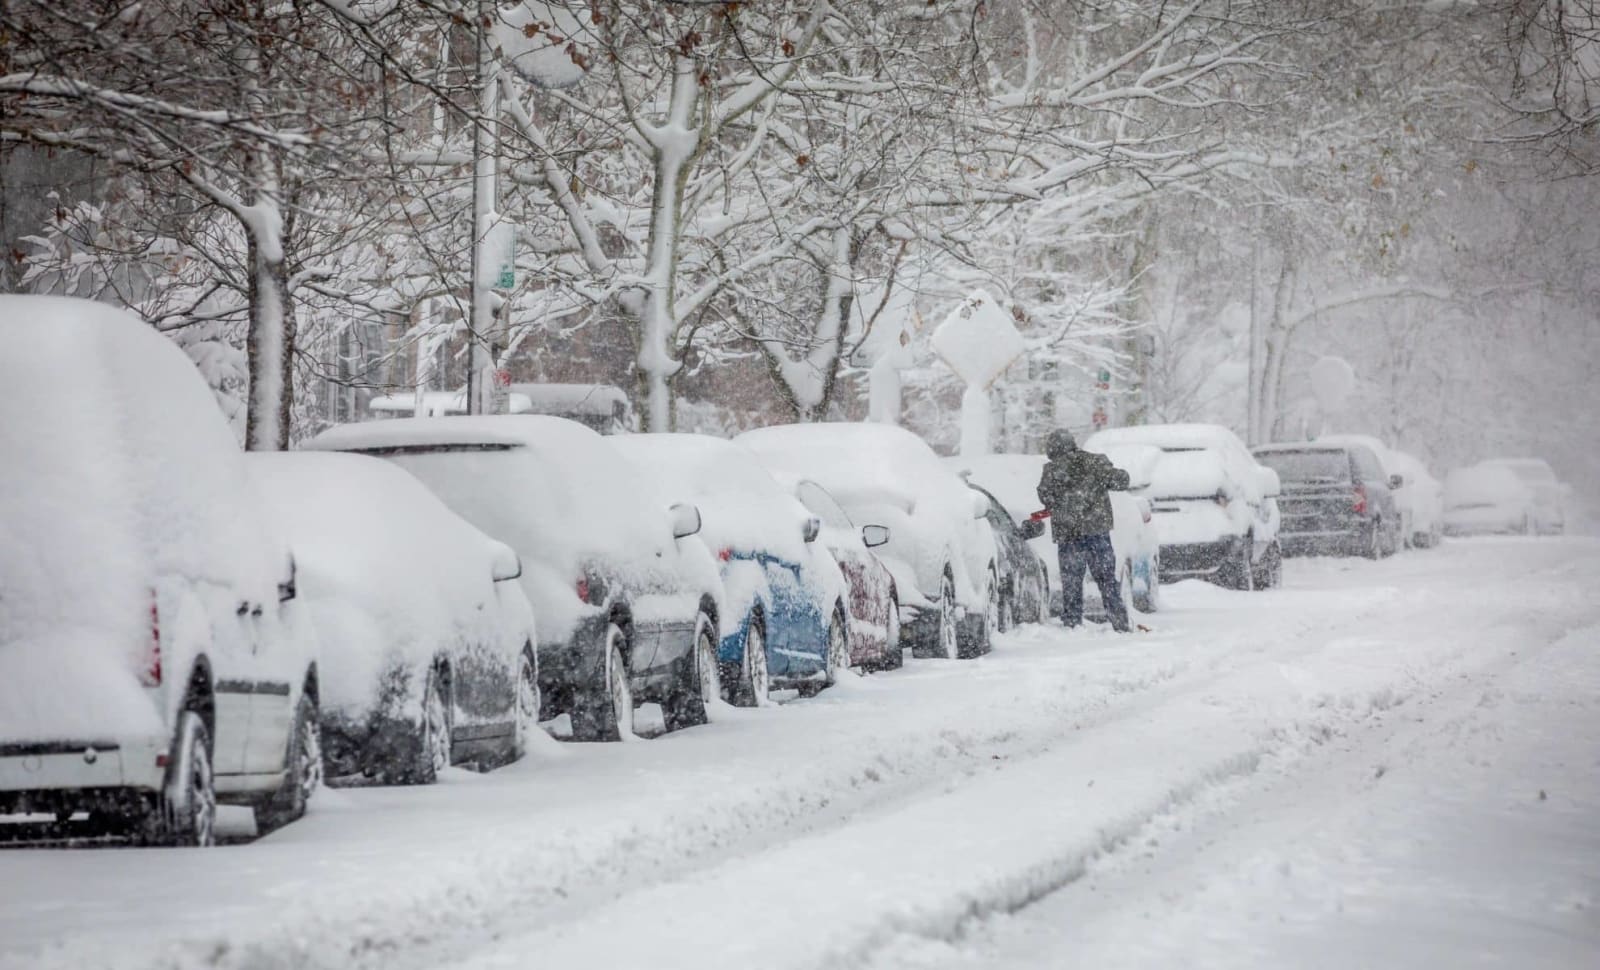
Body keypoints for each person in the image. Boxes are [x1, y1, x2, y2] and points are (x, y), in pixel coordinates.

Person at [1036, 429, 1132, 632]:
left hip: (1068, 534)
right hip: (1097, 531)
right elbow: (1121, 481)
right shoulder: (1095, 462)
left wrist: (1063, 500)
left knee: (1071, 581)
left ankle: (1073, 624)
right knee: (1106, 579)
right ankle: (1119, 622)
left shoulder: (1052, 470)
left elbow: (1045, 496)